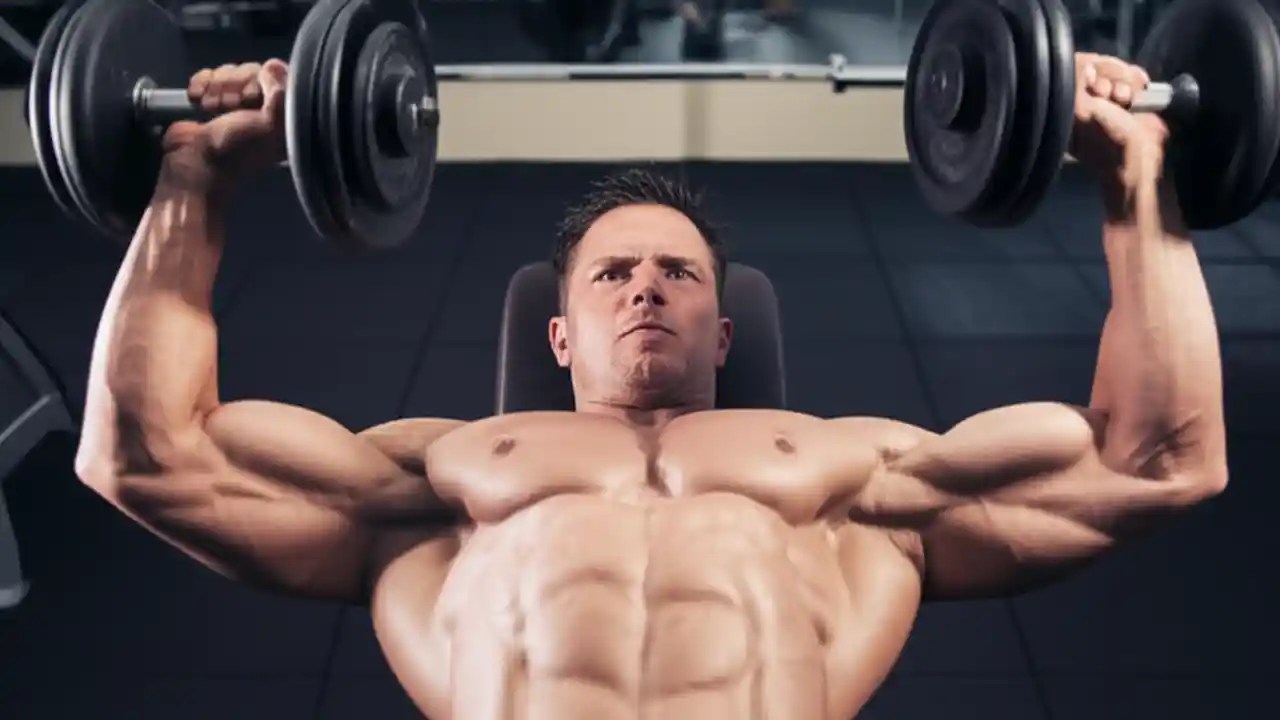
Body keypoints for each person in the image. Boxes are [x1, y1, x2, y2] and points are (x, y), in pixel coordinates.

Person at [73, 53, 1228, 719]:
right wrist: (192, 181)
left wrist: (1136, 177)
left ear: (721, 333)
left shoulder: (854, 475)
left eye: (676, 274)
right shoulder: (433, 479)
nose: (643, 290)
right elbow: (146, 456)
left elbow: (1157, 459)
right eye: (611, 274)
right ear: (559, 334)